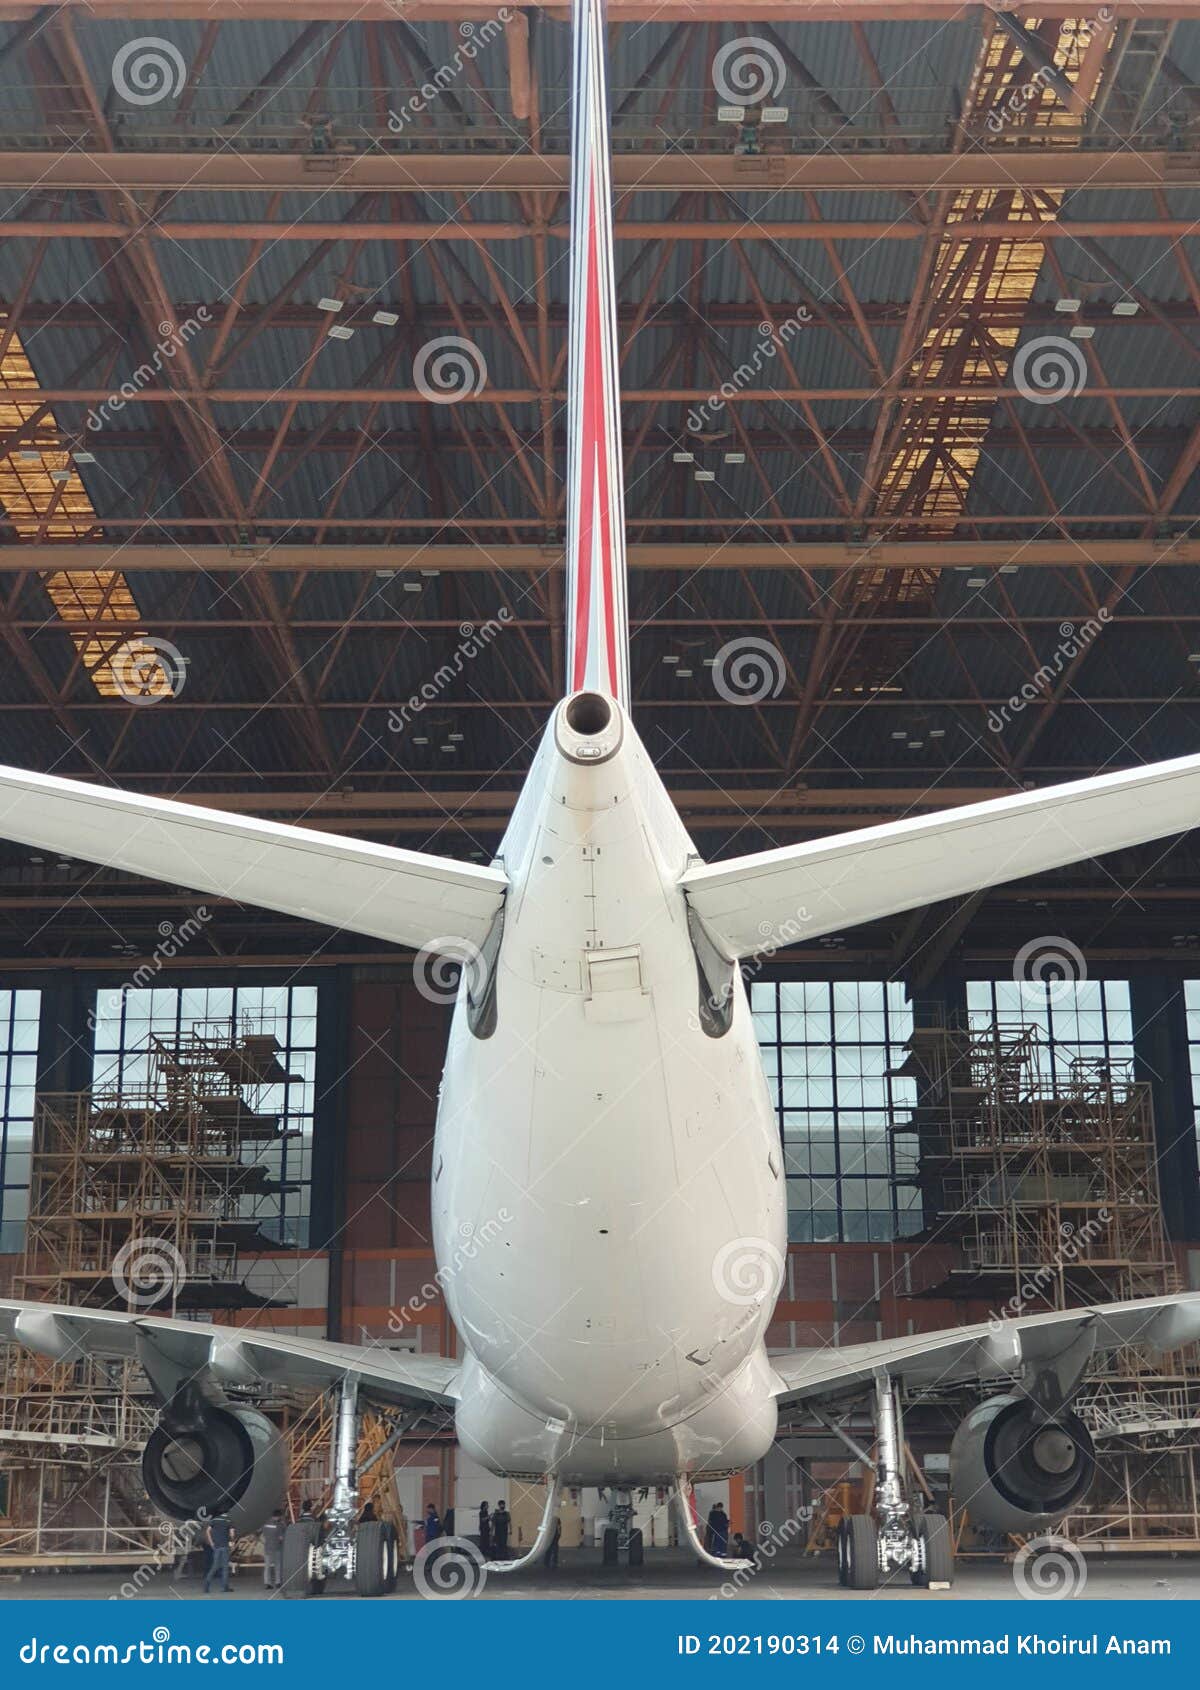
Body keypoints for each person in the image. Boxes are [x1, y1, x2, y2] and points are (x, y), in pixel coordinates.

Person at [204, 1513, 235, 1593]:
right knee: (225, 1567)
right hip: (225, 1546)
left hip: (216, 1546)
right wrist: (232, 1543)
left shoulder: (215, 1519)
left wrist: (211, 1542)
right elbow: (232, 1534)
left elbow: (207, 1531)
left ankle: (206, 1585)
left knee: (215, 1566)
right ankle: (225, 1587)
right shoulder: (229, 1520)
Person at [261, 1509, 285, 1590]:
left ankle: (267, 1583)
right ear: (279, 1516)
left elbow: (263, 1535)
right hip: (277, 1548)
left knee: (267, 1566)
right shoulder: (279, 1525)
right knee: (277, 1566)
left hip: (267, 1548)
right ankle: (278, 1582)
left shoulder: (265, 1523)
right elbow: (281, 1538)